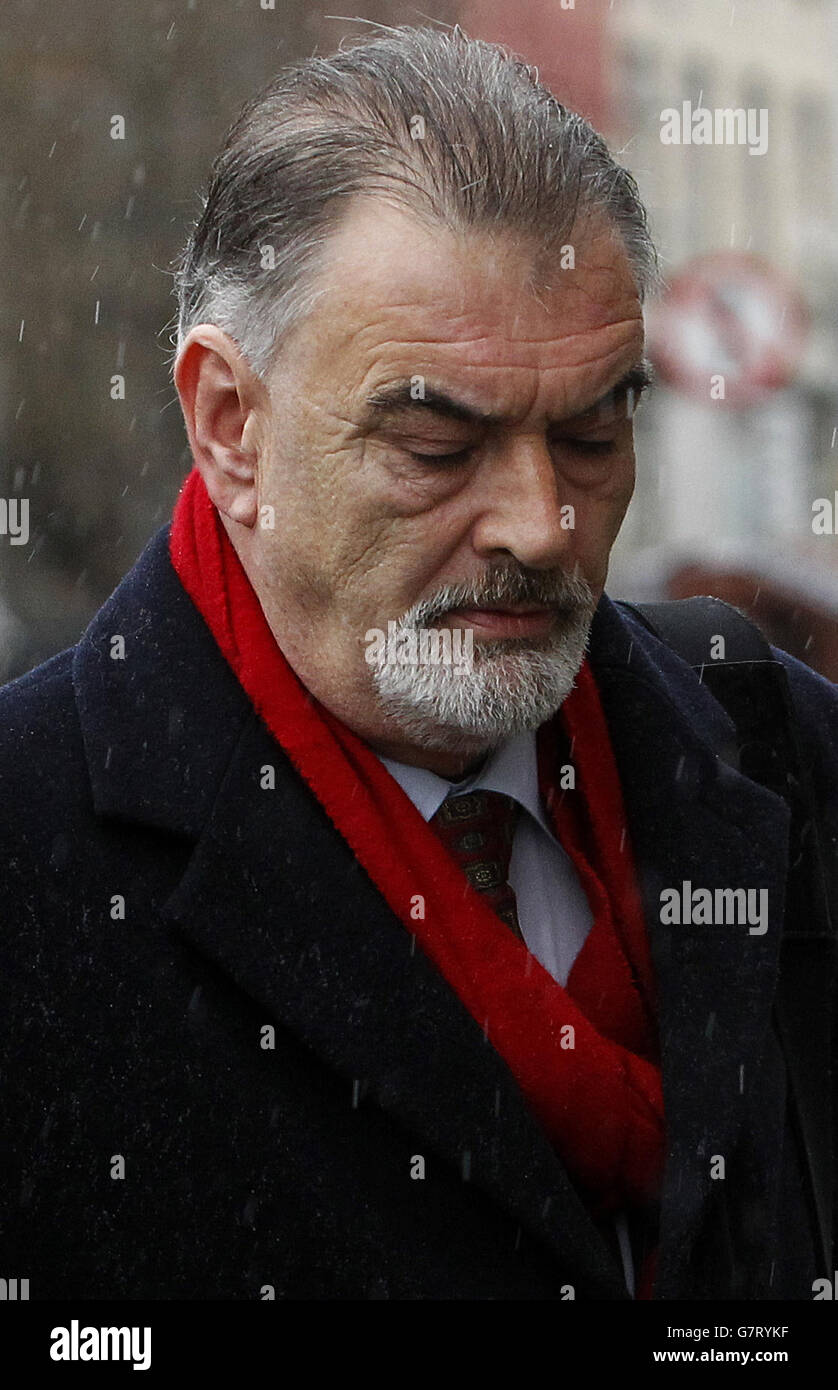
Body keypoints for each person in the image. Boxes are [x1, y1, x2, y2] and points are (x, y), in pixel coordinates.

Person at [1, 24, 835, 1301]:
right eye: (438, 444)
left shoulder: (779, 751)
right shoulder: (31, 852)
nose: (539, 524)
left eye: (592, 433)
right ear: (232, 425)